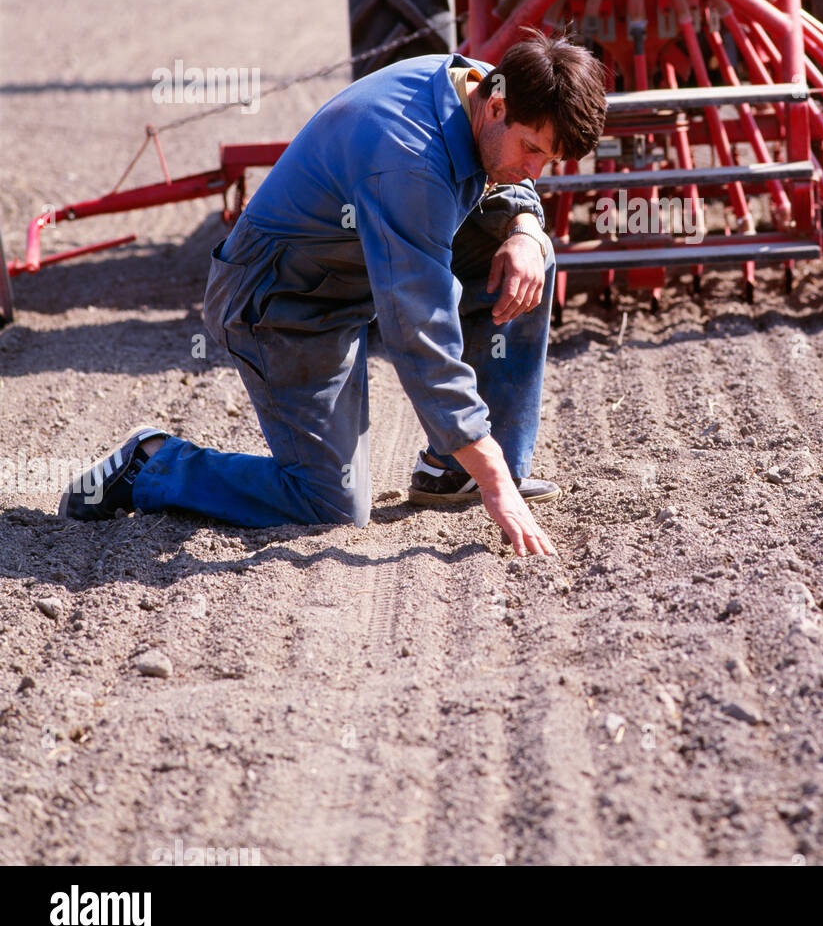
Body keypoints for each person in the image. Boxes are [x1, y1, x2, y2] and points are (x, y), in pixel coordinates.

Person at [60, 33, 607, 558]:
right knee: (331, 503)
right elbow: (419, 331)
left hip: (353, 269)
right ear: (495, 109)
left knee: (523, 253)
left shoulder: (482, 84)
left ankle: (455, 471)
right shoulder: (409, 160)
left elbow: (511, 190)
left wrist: (529, 229)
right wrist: (491, 467)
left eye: (548, 161)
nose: (534, 171)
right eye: (530, 149)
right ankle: (152, 464)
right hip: (281, 300)